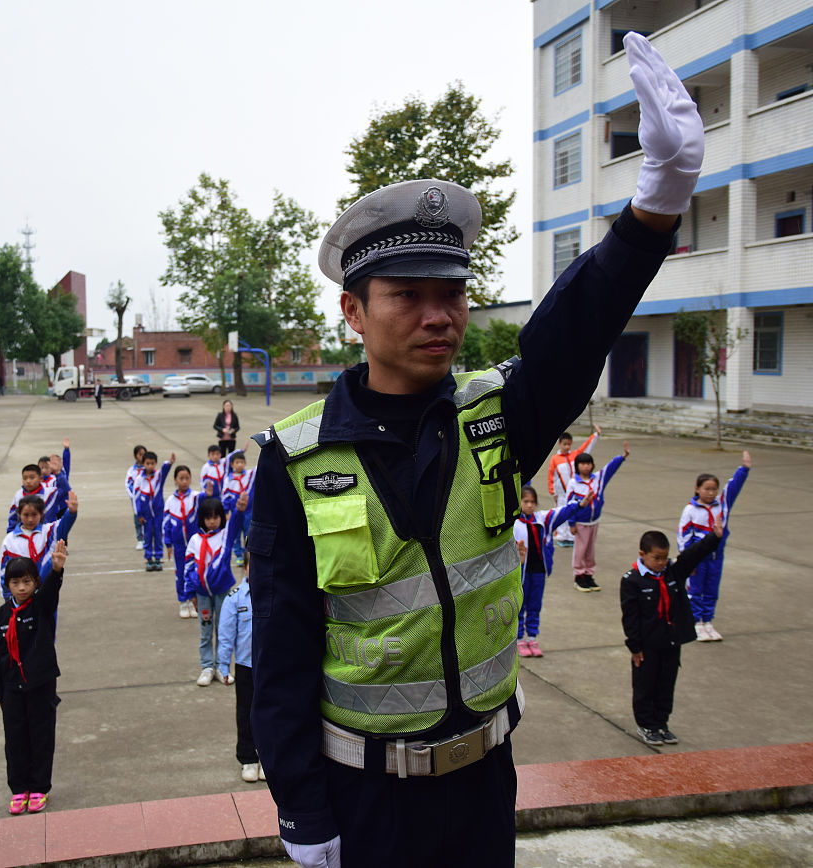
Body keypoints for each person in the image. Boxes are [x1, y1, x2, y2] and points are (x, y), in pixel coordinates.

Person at [248, 33, 703, 866]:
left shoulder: (496, 417)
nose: (439, 316)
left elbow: (573, 330)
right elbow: (280, 653)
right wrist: (302, 815)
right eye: (408, 296)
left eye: (453, 293)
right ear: (353, 312)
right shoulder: (296, 460)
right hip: (366, 798)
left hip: (486, 783)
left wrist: (655, 206)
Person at [620, 516, 723, 746]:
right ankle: (646, 725)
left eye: (665, 558)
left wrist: (714, 537)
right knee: (645, 686)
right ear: (642, 554)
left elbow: (693, 555)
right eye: (656, 558)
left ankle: (661, 723)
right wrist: (634, 646)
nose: (661, 563)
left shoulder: (672, 572)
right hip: (647, 646)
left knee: (666, 685)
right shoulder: (632, 581)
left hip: (671, 642)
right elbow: (630, 617)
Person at [0, 541, 68, 815]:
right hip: (12, 687)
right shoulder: (2, 615)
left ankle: (39, 787)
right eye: (15, 583)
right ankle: (19, 788)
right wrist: (0, 693)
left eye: (27, 582)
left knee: (41, 736)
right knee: (15, 739)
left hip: (40, 685)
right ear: (8, 585)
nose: (22, 588)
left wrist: (56, 571)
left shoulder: (40, 607)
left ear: (36, 583)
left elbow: (50, 594)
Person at [678, 451, 751, 641]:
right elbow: (683, 537)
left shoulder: (722, 505)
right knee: (695, 590)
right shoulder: (690, 510)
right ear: (697, 489)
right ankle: (696, 623)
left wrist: (744, 469)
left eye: (714, 489)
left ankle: (707, 621)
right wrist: (687, 561)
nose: (711, 493)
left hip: (716, 558)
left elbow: (733, 488)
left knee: (712, 590)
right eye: (707, 489)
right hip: (697, 559)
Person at [513, 485, 591, 657]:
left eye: (533, 502)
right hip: (521, 573)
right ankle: (518, 639)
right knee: (520, 605)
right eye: (526, 501)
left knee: (535, 605)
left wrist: (579, 505)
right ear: (519, 502)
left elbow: (562, 512)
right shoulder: (514, 525)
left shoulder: (542, 519)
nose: (530, 505)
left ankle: (532, 637)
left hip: (539, 571)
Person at [184, 492, 248, 686]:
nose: (212, 521)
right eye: (208, 518)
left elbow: (235, 525)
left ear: (221, 517)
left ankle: (222, 667)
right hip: (202, 594)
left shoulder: (225, 536)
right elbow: (188, 568)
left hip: (223, 593)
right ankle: (207, 667)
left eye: (216, 517)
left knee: (223, 630)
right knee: (205, 632)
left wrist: (238, 511)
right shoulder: (195, 540)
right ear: (202, 519)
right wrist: (190, 594)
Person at [217, 555, 261, 783]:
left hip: (270, 665)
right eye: (252, 565)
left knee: (271, 713)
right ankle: (248, 758)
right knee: (246, 713)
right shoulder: (235, 598)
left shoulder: (275, 593)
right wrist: (223, 666)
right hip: (246, 666)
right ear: (244, 568)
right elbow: (226, 635)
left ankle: (266, 757)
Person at [565, 443, 629, 592]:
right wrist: (571, 523)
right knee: (580, 550)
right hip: (580, 522)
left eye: (589, 463)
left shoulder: (598, 479)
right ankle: (579, 576)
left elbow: (611, 468)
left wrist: (623, 457)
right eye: (583, 464)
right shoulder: (573, 483)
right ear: (577, 466)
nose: (586, 466)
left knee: (590, 550)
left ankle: (589, 575)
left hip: (594, 522)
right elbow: (569, 504)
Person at [0, 492, 77, 598]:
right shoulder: (9, 540)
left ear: (41, 514)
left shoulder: (48, 531)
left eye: (34, 515)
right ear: (19, 514)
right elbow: (3, 571)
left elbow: (64, 525)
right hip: (21, 595)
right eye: (26, 515)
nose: (30, 519)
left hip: (46, 590)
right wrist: (8, 596)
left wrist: (71, 512)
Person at [546, 426, 599, 547]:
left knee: (574, 513)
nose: (567, 447)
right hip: (561, 494)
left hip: (574, 492)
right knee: (562, 514)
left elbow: (586, 447)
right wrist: (553, 492)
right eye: (564, 444)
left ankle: (571, 537)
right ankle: (562, 536)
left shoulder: (575, 455)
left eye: (569, 444)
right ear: (559, 444)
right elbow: (551, 476)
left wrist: (595, 435)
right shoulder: (555, 459)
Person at [163, 465, 203, 618]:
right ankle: (183, 602)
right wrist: (168, 544)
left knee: (194, 571)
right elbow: (166, 524)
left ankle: (194, 601)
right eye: (181, 478)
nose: (184, 481)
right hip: (179, 545)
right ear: (175, 480)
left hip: (194, 544)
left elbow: (207, 504)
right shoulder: (170, 501)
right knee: (180, 573)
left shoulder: (196, 497)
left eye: (187, 478)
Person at [133, 450, 174, 572]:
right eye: (147, 463)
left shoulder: (158, 477)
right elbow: (136, 497)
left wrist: (170, 463)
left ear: (155, 464)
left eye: (152, 463)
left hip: (158, 512)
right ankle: (149, 558)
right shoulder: (139, 479)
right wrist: (139, 514)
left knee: (158, 534)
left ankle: (158, 558)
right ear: (143, 464)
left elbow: (165, 470)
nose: (150, 466)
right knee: (147, 535)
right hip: (146, 514)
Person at [220, 448, 254, 565]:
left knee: (248, 534)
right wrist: (226, 512)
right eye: (237, 462)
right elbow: (225, 497)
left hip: (248, 512)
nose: (240, 465)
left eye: (242, 462)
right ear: (232, 464)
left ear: (245, 463)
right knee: (236, 534)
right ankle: (238, 555)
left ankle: (247, 555)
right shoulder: (228, 480)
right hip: (235, 512)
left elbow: (259, 468)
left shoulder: (249, 475)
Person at [125, 446, 146, 550]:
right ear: (135, 456)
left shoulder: (148, 469)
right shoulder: (131, 471)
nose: (142, 456)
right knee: (138, 518)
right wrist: (134, 496)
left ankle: (148, 538)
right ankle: (140, 539)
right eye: (140, 454)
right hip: (136, 499)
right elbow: (128, 484)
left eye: (144, 454)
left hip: (147, 498)